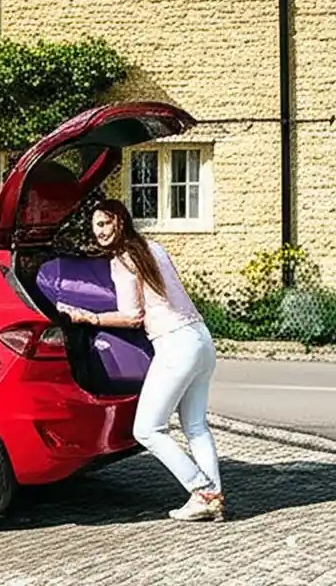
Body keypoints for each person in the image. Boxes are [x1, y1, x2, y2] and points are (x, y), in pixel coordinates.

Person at [56, 199, 224, 522]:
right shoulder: (153, 247)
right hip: (201, 339)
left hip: (175, 344)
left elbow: (133, 316)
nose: (100, 232)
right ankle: (212, 497)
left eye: (104, 224)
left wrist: (87, 317)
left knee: (147, 429)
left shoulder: (122, 261)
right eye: (95, 227)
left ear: (119, 220)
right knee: (196, 426)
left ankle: (201, 490)